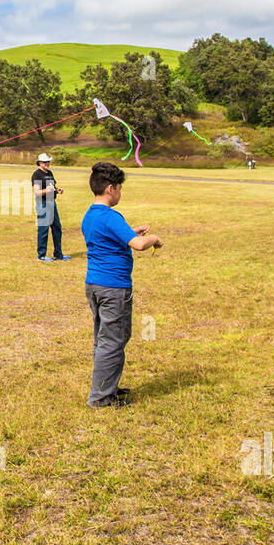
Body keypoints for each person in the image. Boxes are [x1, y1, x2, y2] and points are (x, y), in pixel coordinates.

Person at [81, 161, 163, 407]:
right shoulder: (110, 215)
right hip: (113, 287)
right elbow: (138, 245)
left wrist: (130, 231)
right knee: (113, 339)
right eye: (119, 188)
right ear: (110, 189)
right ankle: (101, 397)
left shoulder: (91, 214)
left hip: (94, 284)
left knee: (104, 338)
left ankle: (108, 388)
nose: (119, 192)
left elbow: (108, 237)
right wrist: (153, 238)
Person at [32, 152, 71, 262]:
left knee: (57, 228)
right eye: (44, 162)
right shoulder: (37, 175)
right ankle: (41, 256)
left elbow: (52, 187)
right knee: (43, 229)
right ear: (39, 163)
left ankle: (58, 254)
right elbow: (37, 192)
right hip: (42, 203)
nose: (47, 164)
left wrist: (57, 190)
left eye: (48, 162)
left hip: (52, 203)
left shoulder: (50, 173)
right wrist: (47, 191)